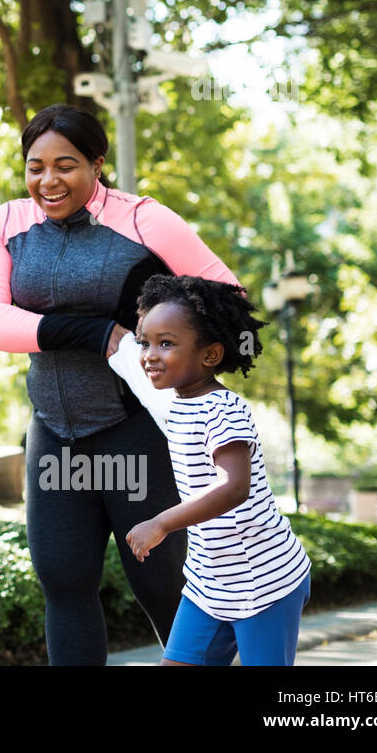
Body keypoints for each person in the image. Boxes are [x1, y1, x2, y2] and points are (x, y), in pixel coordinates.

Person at [0, 104, 241, 665]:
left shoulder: (144, 220)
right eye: (34, 166)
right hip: (54, 432)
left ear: (97, 163)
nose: (48, 181)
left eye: (65, 165)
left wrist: (162, 337)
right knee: (64, 586)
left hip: (135, 430)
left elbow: (228, 299)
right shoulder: (8, 224)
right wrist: (92, 332)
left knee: (164, 585)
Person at [109, 274, 312, 666]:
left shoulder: (224, 408)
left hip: (262, 580)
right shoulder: (177, 403)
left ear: (210, 355)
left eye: (166, 343)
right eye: (145, 342)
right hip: (210, 582)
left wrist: (162, 523)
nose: (150, 354)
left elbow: (234, 487)